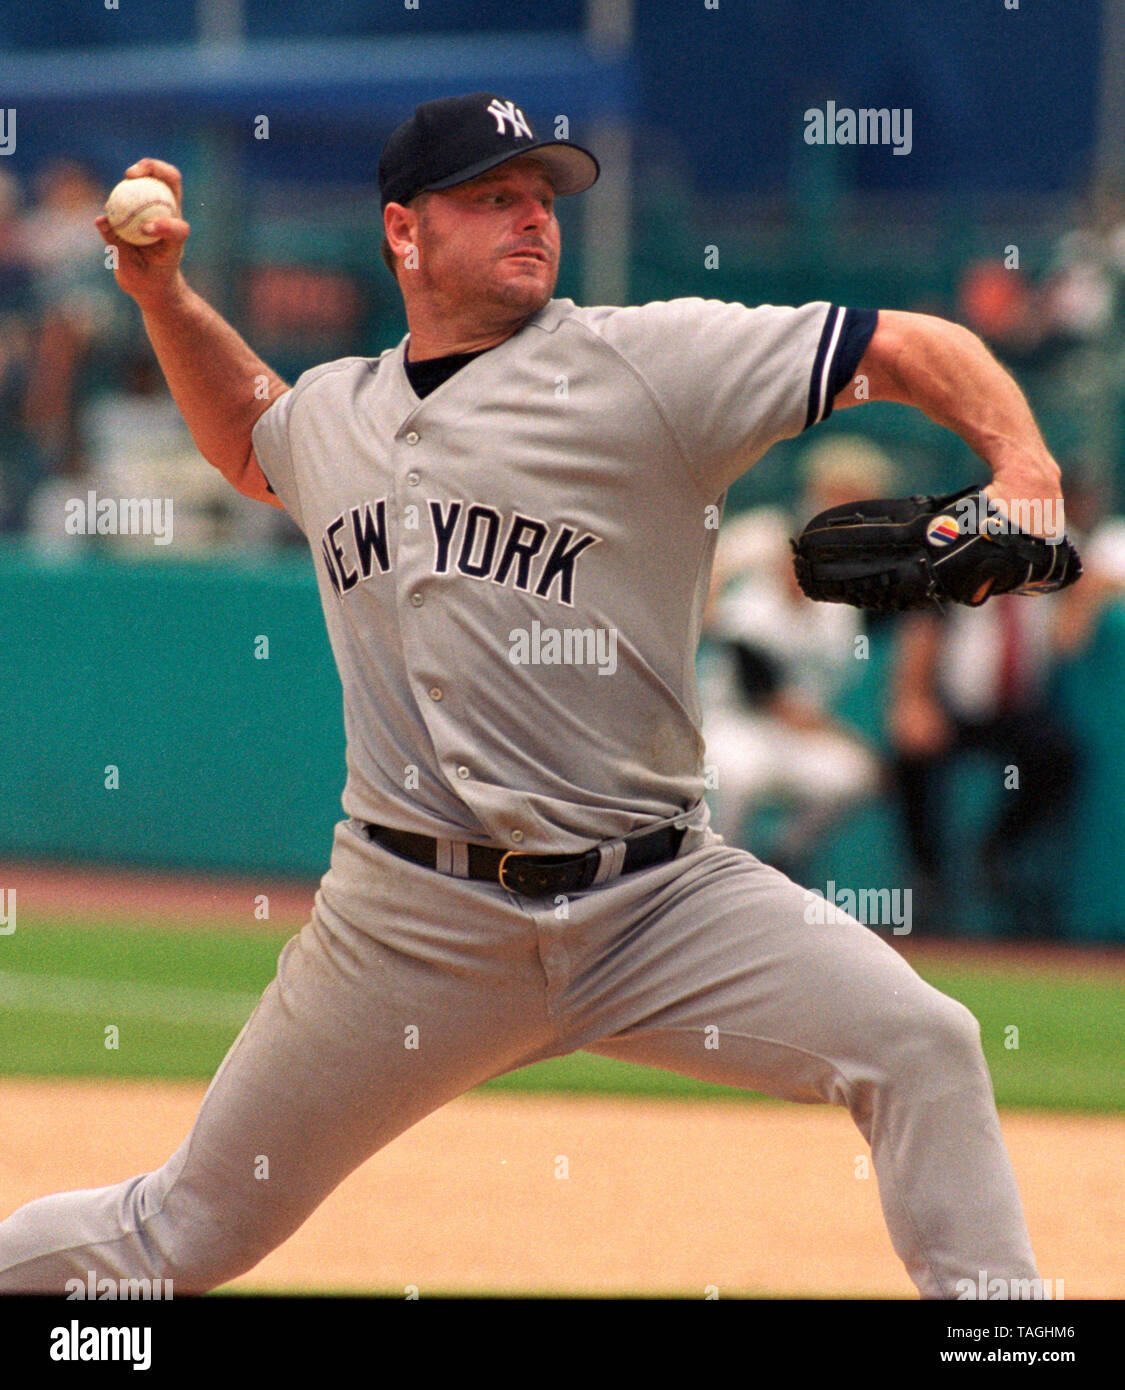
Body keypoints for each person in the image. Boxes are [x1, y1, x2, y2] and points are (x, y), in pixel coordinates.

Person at [0, 92, 1062, 1299]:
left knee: (926, 1044)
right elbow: (252, 438)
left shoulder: (651, 364)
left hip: (662, 901)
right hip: (410, 925)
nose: (533, 216)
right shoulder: (341, 411)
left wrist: (1022, 467)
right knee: (177, 1238)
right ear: (404, 232)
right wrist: (163, 301)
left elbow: (906, 344)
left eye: (544, 196)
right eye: (493, 195)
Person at [700, 439, 894, 872]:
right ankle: (719, 876)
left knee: (853, 775)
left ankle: (783, 859)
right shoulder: (761, 545)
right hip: (735, 719)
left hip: (798, 733)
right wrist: (711, 614)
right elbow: (760, 688)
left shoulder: (843, 600)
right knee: (737, 776)